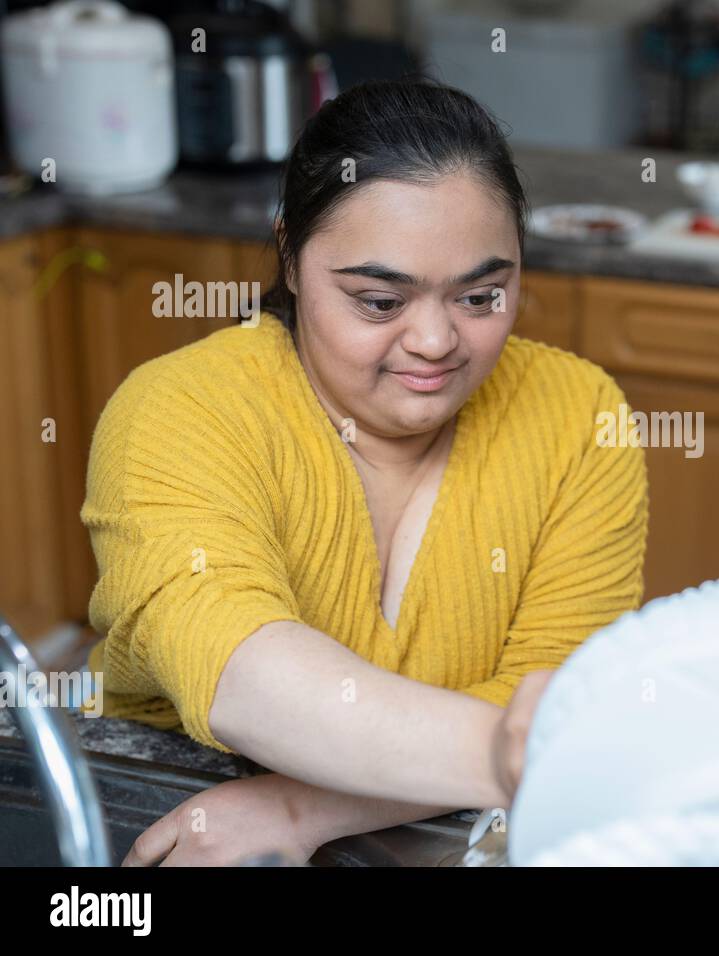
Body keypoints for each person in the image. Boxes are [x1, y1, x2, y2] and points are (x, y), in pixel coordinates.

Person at [80, 79, 649, 865]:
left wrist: (302, 806)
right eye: (381, 302)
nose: (435, 341)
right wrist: (531, 753)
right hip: (170, 820)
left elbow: (547, 694)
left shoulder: (579, 415)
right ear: (290, 256)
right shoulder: (180, 412)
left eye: (481, 296)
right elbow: (242, 669)